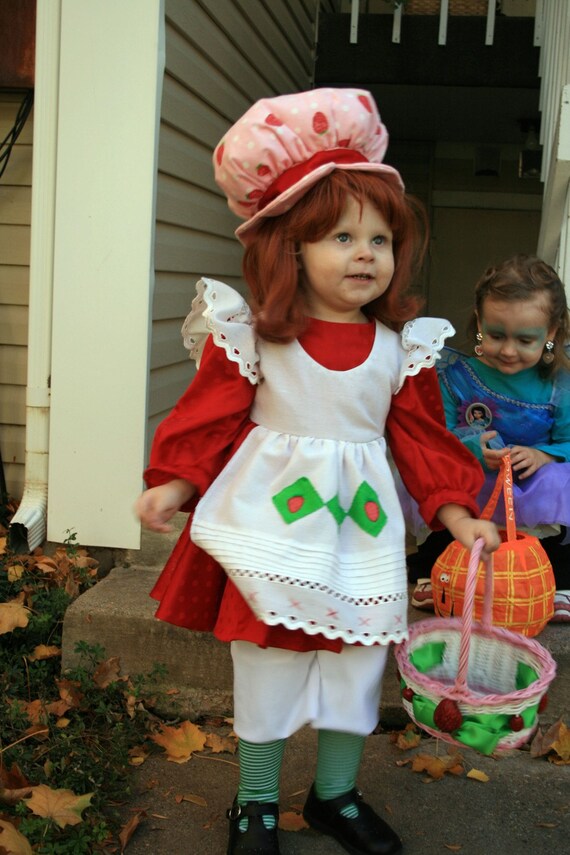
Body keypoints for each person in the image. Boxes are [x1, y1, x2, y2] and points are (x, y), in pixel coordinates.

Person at [135, 88, 499, 855]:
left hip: (362, 536)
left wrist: (456, 509)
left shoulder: (403, 349)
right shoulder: (259, 339)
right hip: (273, 526)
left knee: (358, 667)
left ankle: (334, 794)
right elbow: (209, 419)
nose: (364, 252)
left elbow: (425, 439)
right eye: (339, 235)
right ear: (290, 247)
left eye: (379, 238)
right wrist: (175, 480)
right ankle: (257, 803)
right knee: (266, 665)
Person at [407, 255, 570, 623]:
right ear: (479, 323)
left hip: (529, 485)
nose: (509, 350)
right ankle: (437, 570)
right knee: (438, 482)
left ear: (553, 332)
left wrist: (543, 455)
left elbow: (569, 440)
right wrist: (472, 450)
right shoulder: (456, 376)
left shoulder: (559, 383)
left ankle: (557, 580)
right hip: (473, 476)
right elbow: (439, 437)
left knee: (559, 484)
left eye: (526, 339)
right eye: (496, 335)